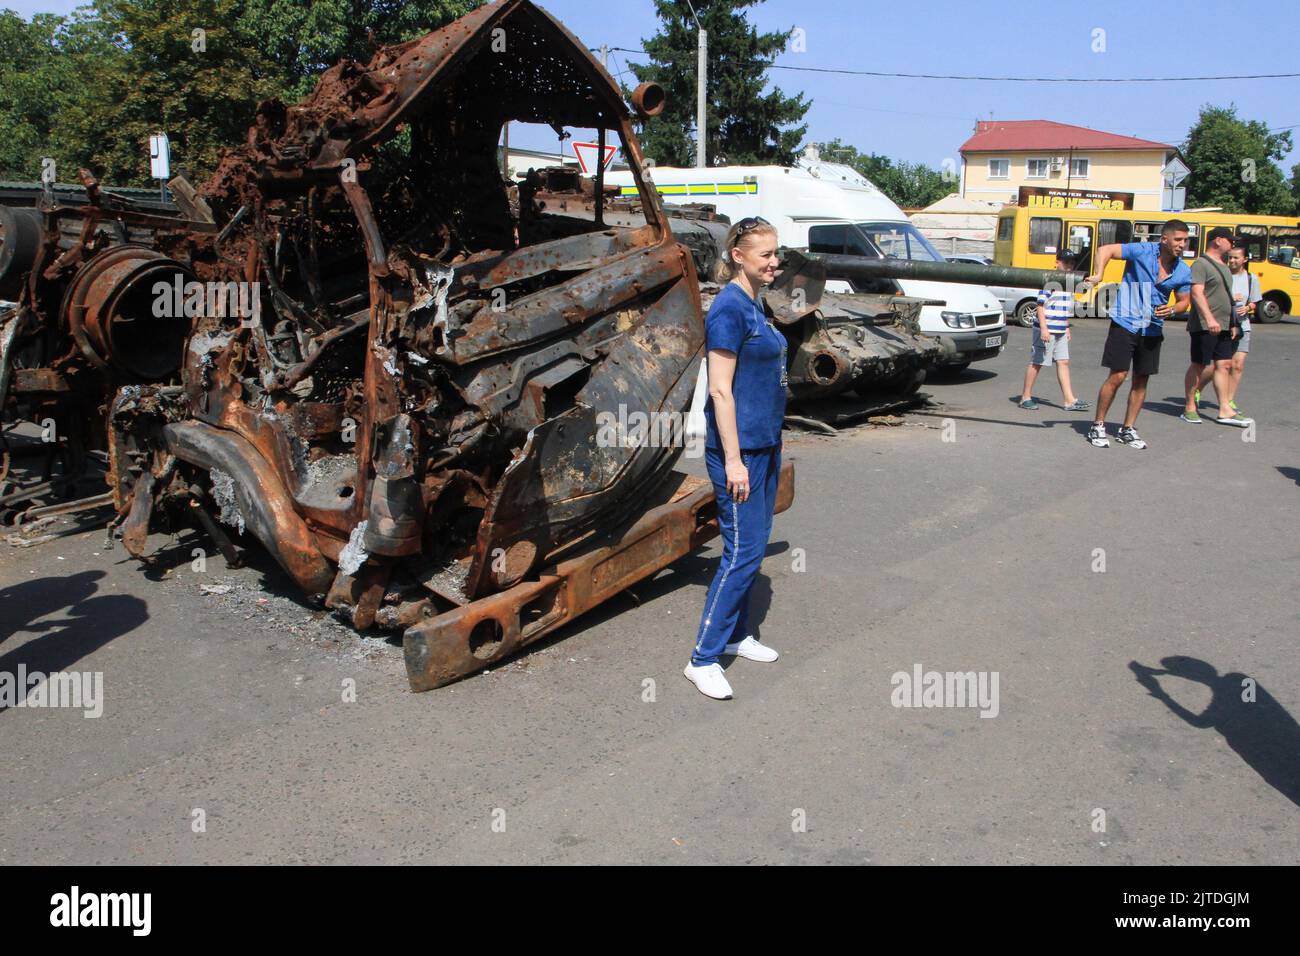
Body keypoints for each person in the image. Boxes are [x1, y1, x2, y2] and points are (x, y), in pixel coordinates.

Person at [685, 216, 787, 701]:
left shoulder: (754, 303)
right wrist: (733, 461)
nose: (775, 262)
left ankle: (738, 634)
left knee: (755, 542)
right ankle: (702, 658)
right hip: (740, 451)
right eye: (765, 254)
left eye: (776, 253)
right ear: (737, 256)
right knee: (742, 553)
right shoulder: (728, 308)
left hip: (765, 444)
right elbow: (720, 392)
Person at [1082, 219, 1193, 449]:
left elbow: (1184, 302)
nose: (1182, 244)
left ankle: (1127, 429)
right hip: (1126, 320)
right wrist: (1100, 273)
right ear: (1164, 239)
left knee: (1141, 380)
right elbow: (1106, 249)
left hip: (1152, 328)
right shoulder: (1143, 251)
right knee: (1118, 375)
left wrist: (1173, 308)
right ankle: (1098, 424)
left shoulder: (1183, 270)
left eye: (1186, 240)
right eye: (1178, 239)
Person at [1181, 227, 1252, 427]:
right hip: (1205, 325)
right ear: (1218, 240)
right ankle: (1189, 407)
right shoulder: (1201, 264)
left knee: (1224, 365)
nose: (1233, 245)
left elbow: (1227, 298)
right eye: (1231, 240)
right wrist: (1210, 319)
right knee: (1199, 364)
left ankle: (1225, 409)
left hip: (1224, 325)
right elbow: (1197, 293)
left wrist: (1232, 324)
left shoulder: (1223, 265)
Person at [1017, 251, 1090, 411]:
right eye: (1066, 262)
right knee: (1037, 363)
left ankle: (1069, 400)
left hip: (1060, 330)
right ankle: (1025, 397)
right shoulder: (1050, 281)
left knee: (1063, 362)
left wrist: (1066, 327)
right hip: (1046, 329)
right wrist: (1044, 329)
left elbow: (1064, 308)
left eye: (1072, 263)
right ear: (1057, 263)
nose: (1069, 266)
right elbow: (1040, 306)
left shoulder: (1069, 283)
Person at [1226, 242, 1261, 414]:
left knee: (1237, 365)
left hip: (1243, 325)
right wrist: (1231, 298)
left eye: (1235, 258)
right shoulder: (1223, 274)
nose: (1232, 260)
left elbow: (1254, 302)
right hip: (1224, 324)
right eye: (1230, 257)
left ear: (1244, 259)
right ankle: (1197, 388)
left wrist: (1247, 308)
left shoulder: (1251, 278)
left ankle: (1229, 400)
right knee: (1222, 364)